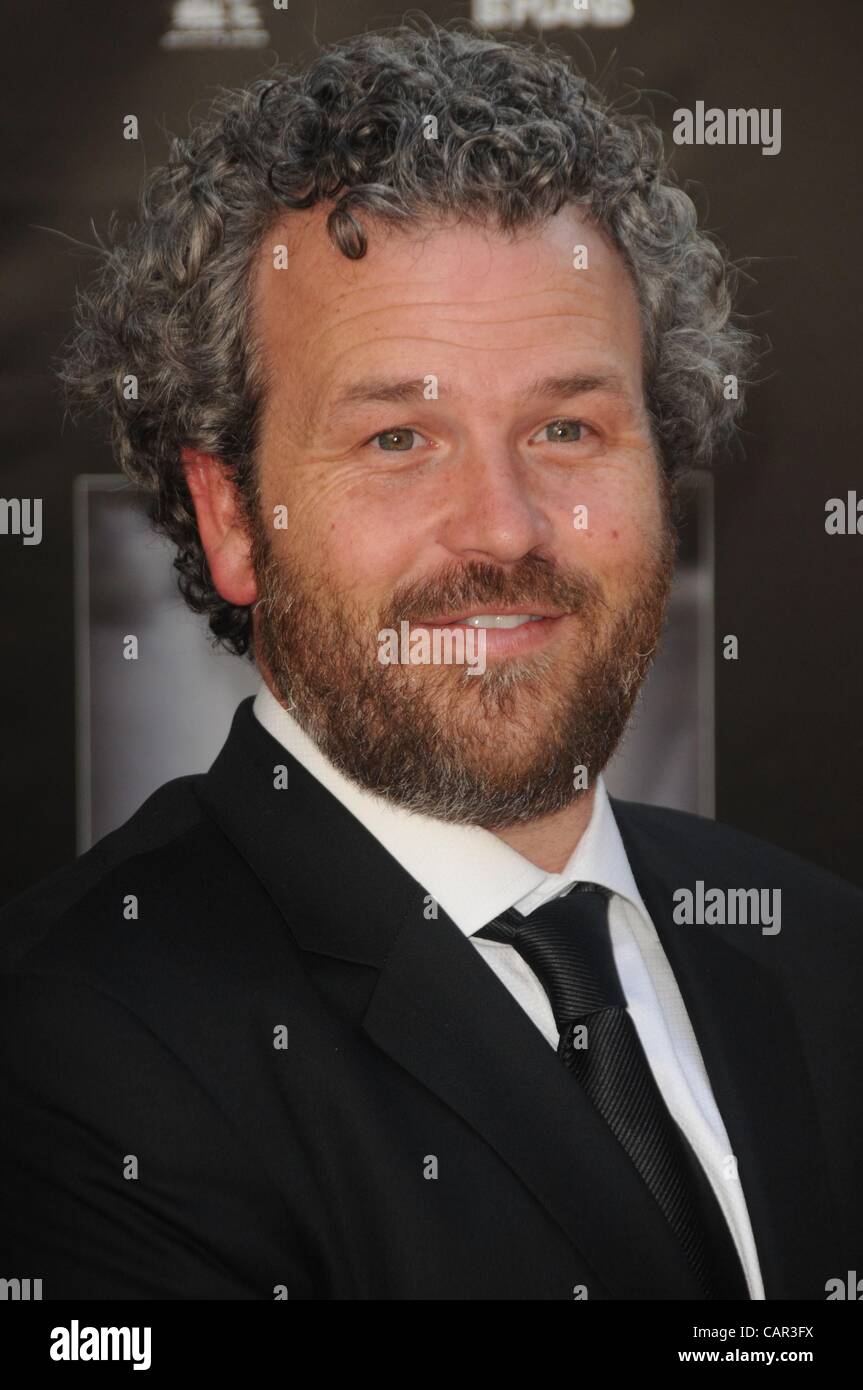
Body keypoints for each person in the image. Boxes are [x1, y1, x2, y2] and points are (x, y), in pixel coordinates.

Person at [1, 20, 860, 1301]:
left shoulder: (824, 950)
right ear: (232, 515)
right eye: (399, 438)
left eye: (567, 426)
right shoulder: (65, 1047)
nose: (504, 524)